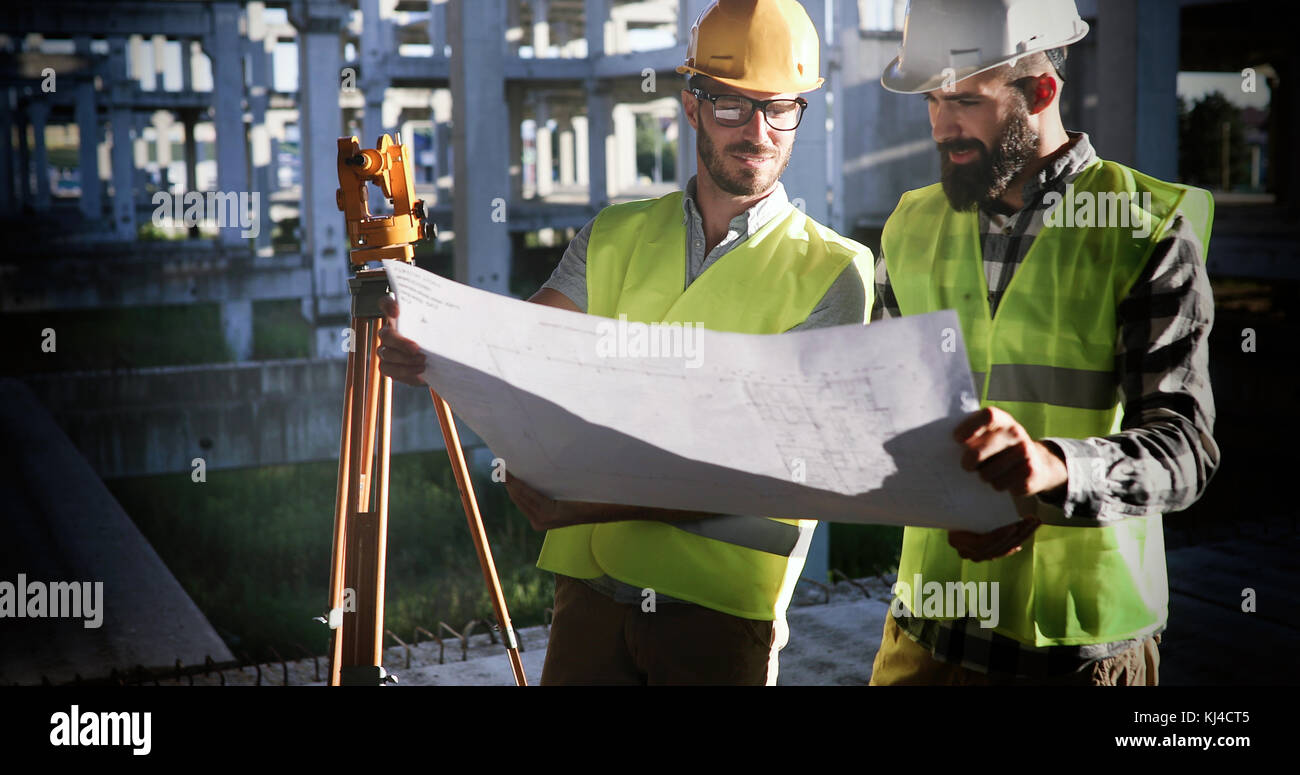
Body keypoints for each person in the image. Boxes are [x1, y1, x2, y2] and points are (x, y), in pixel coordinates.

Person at [378, 0, 872, 685]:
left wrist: (584, 502)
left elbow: (767, 464)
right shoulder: (615, 233)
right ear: (692, 106)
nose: (758, 131)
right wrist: (434, 340)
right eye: (732, 106)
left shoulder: (835, 270)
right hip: (588, 597)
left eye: (779, 107)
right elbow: (521, 348)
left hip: (720, 614)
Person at [868, 0, 1219, 685]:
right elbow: (885, 411)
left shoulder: (1144, 228)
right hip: (926, 638)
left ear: (1042, 91)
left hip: (1082, 652)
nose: (943, 125)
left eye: (966, 99)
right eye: (933, 100)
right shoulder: (910, 225)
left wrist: (1052, 472)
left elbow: (1184, 450)